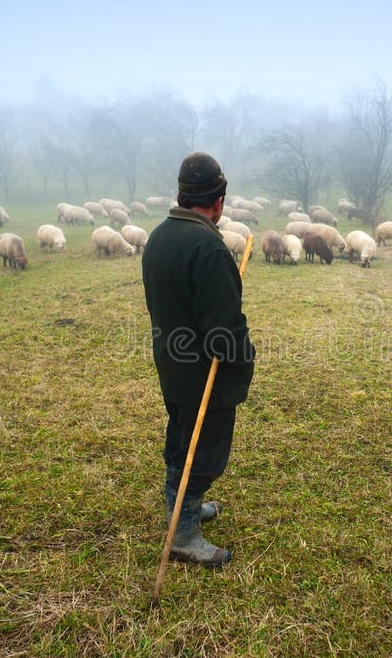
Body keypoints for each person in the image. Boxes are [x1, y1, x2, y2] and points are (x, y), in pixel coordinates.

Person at [141, 152, 255, 567]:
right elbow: (224, 330)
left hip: (172, 365)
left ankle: (183, 510)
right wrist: (246, 357)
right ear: (219, 201)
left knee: (182, 438)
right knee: (201, 452)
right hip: (203, 372)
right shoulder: (209, 247)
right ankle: (184, 534)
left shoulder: (158, 237)